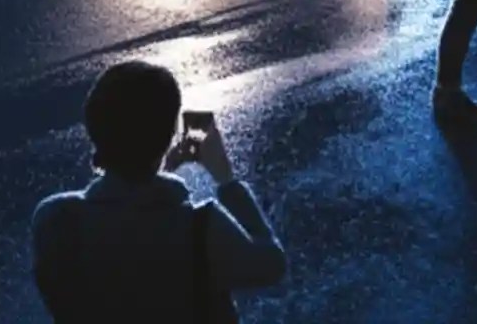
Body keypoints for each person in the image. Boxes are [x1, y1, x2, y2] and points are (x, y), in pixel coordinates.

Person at [31, 61, 286, 323]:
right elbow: (272, 265)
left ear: (93, 127)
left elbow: (130, 225)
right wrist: (226, 179)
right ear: (169, 135)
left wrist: (157, 170)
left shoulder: (56, 220)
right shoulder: (201, 229)